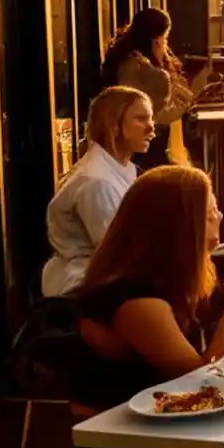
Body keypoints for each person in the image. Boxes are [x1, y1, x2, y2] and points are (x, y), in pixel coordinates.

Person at [71, 166, 224, 413]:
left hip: (161, 425)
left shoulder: (168, 279)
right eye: (210, 213)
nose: (219, 218)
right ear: (180, 226)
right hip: (122, 440)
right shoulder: (137, 300)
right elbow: (200, 381)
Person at [42, 87, 156, 297]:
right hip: (82, 288)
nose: (151, 128)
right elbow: (117, 252)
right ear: (114, 126)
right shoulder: (97, 182)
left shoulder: (115, 168)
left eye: (151, 119)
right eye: (141, 119)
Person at [101, 8, 211, 170]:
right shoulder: (142, 71)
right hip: (139, 152)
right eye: (164, 40)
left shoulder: (124, 58)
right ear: (156, 41)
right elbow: (162, 115)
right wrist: (195, 89)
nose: (166, 47)